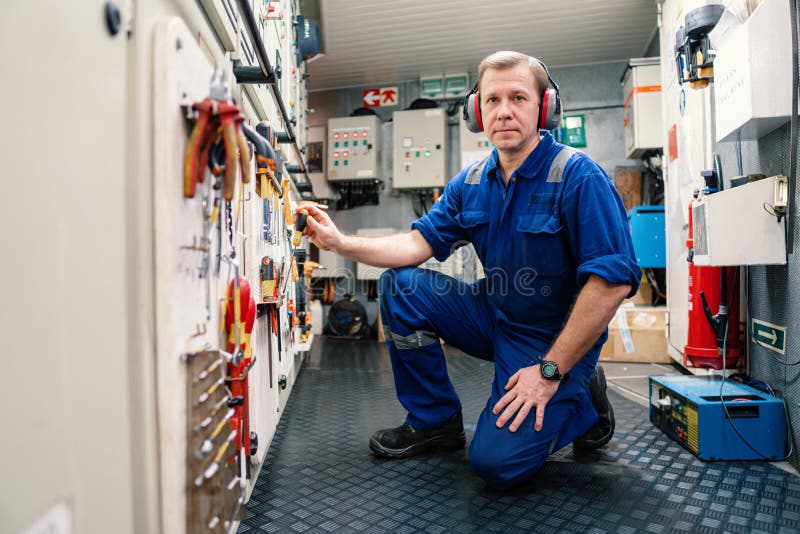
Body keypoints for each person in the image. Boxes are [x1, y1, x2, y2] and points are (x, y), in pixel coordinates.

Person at [298, 51, 640, 489]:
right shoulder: (472, 182)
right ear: (478, 111)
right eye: (493, 100)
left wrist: (550, 371)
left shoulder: (577, 176)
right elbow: (415, 244)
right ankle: (435, 421)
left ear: (545, 107)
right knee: (401, 286)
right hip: (492, 313)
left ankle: (583, 394)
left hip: (548, 339)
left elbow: (610, 284)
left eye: (518, 97)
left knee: (497, 466)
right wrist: (340, 243)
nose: (505, 111)